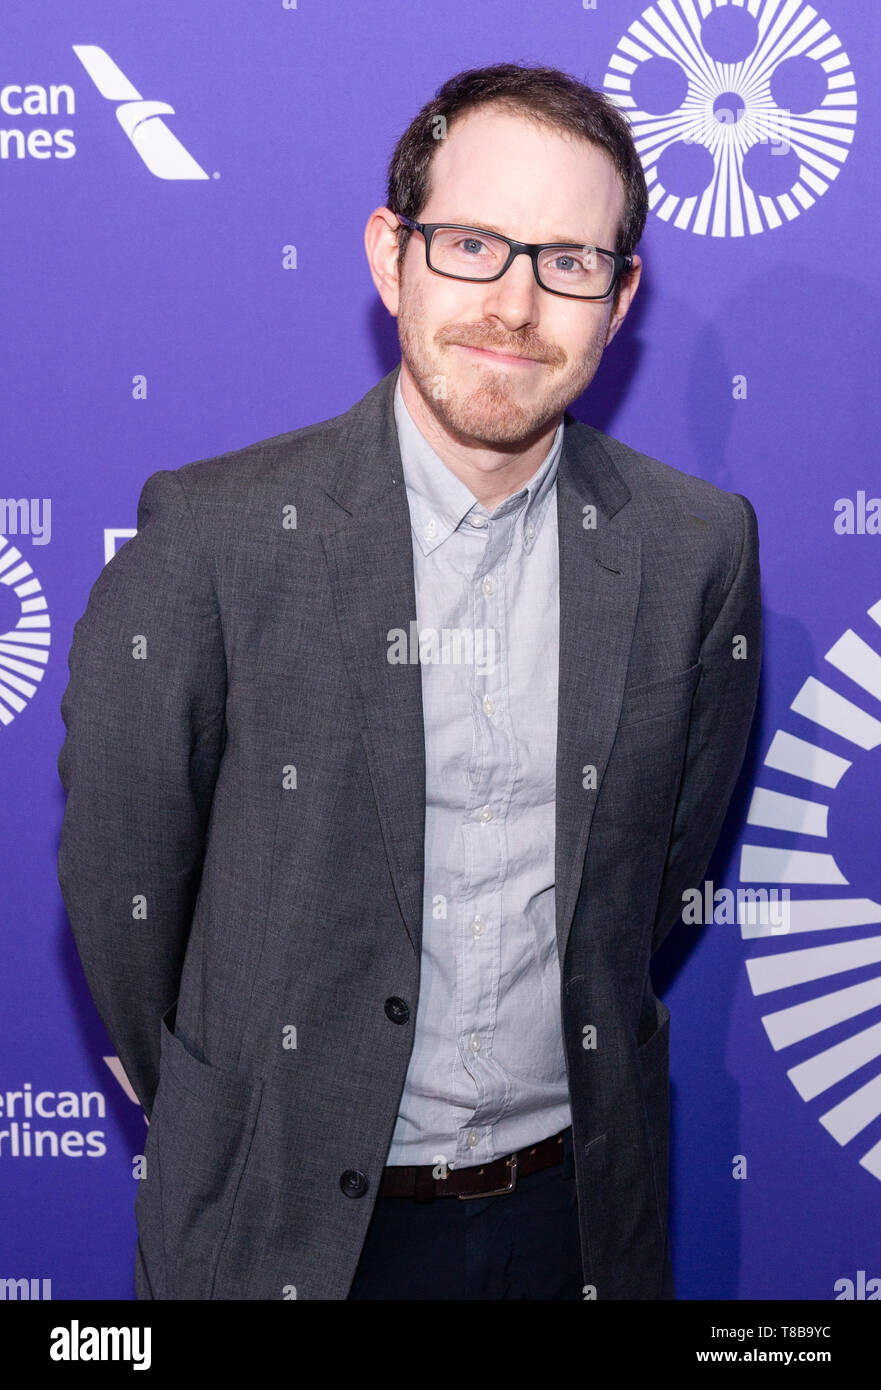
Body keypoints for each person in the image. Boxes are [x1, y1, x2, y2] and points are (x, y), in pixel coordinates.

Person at [57, 62, 762, 1301]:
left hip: (582, 1220)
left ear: (619, 297)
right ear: (391, 257)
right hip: (278, 1230)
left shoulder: (694, 547)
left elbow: (655, 878)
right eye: (472, 244)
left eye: (567, 262)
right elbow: (126, 887)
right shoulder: (214, 537)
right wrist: (236, 1113)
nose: (515, 303)